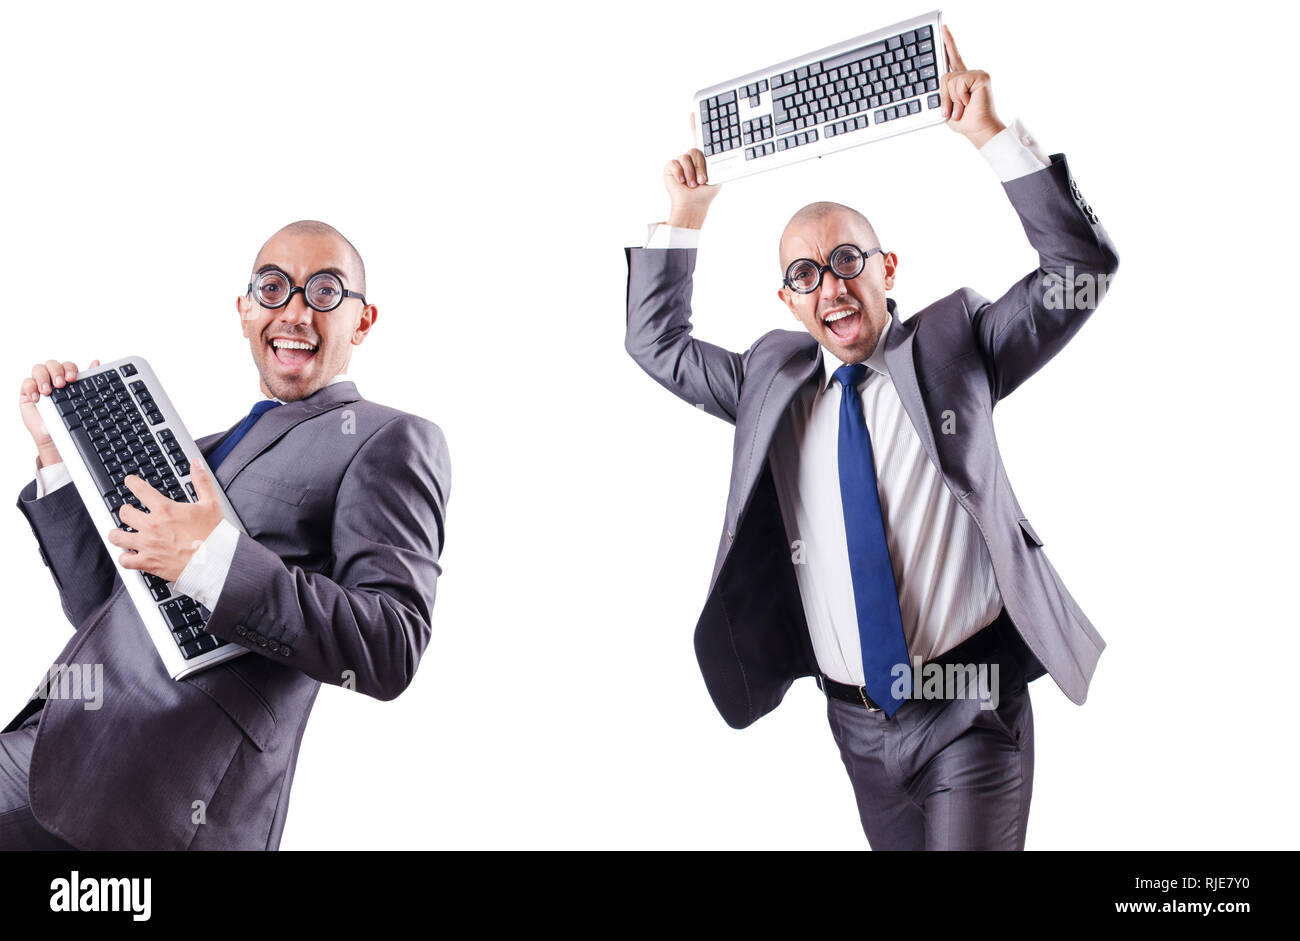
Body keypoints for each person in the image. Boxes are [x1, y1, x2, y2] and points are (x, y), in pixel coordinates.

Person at [624, 27, 1118, 849]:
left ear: (888, 268)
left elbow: (1080, 271)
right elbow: (656, 345)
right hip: (855, 722)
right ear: (788, 301)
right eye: (806, 274)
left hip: (971, 699)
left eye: (849, 259)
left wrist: (991, 137)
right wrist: (685, 219)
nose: (832, 284)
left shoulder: (958, 344)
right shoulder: (766, 383)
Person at [1, 220, 451, 850]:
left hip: (163, 785)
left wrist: (211, 560)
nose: (294, 312)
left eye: (324, 292)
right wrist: (56, 455)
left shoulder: (390, 439)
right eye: (273, 288)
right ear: (244, 312)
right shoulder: (200, 452)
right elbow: (101, 609)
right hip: (59, 745)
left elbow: (390, 644)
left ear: (363, 321)